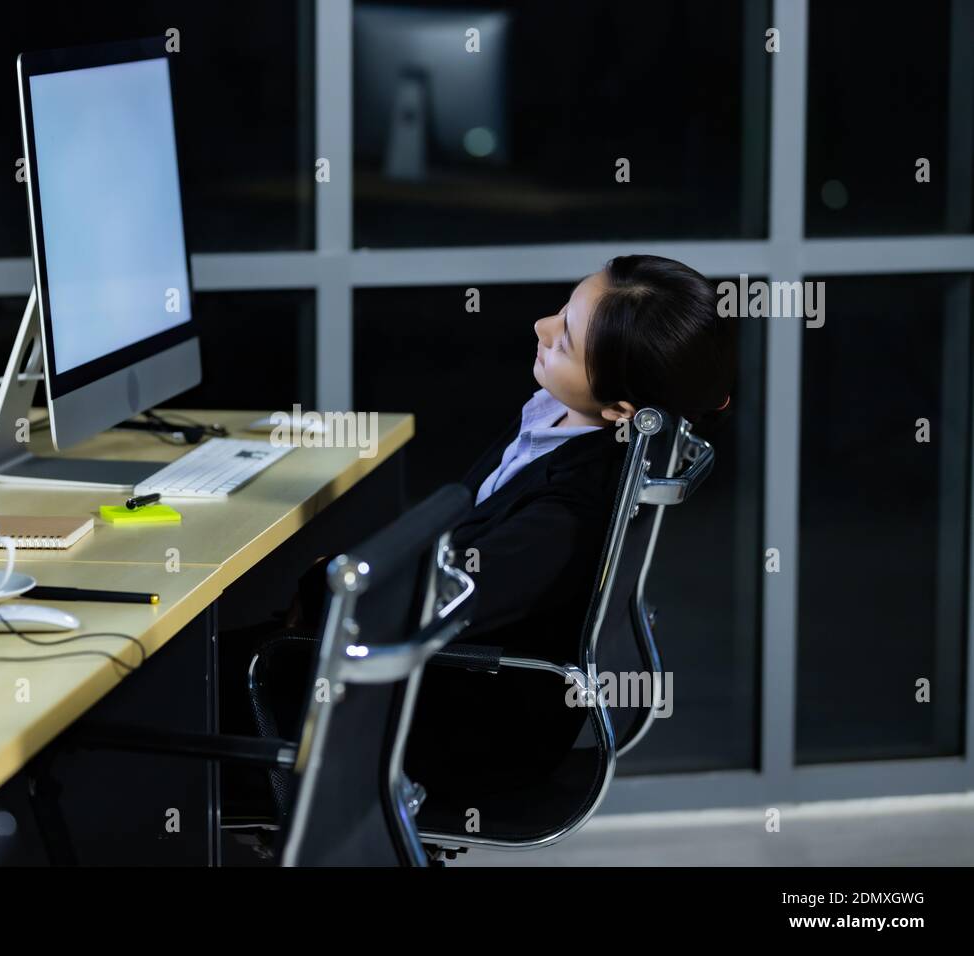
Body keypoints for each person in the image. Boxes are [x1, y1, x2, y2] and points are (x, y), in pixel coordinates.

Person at [225, 254, 738, 820]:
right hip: (448, 676)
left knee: (192, 682)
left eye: (565, 339)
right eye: (562, 310)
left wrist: (321, 582)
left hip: (469, 719)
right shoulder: (559, 418)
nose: (541, 327)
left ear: (620, 410)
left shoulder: (570, 515)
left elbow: (434, 608)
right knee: (217, 657)